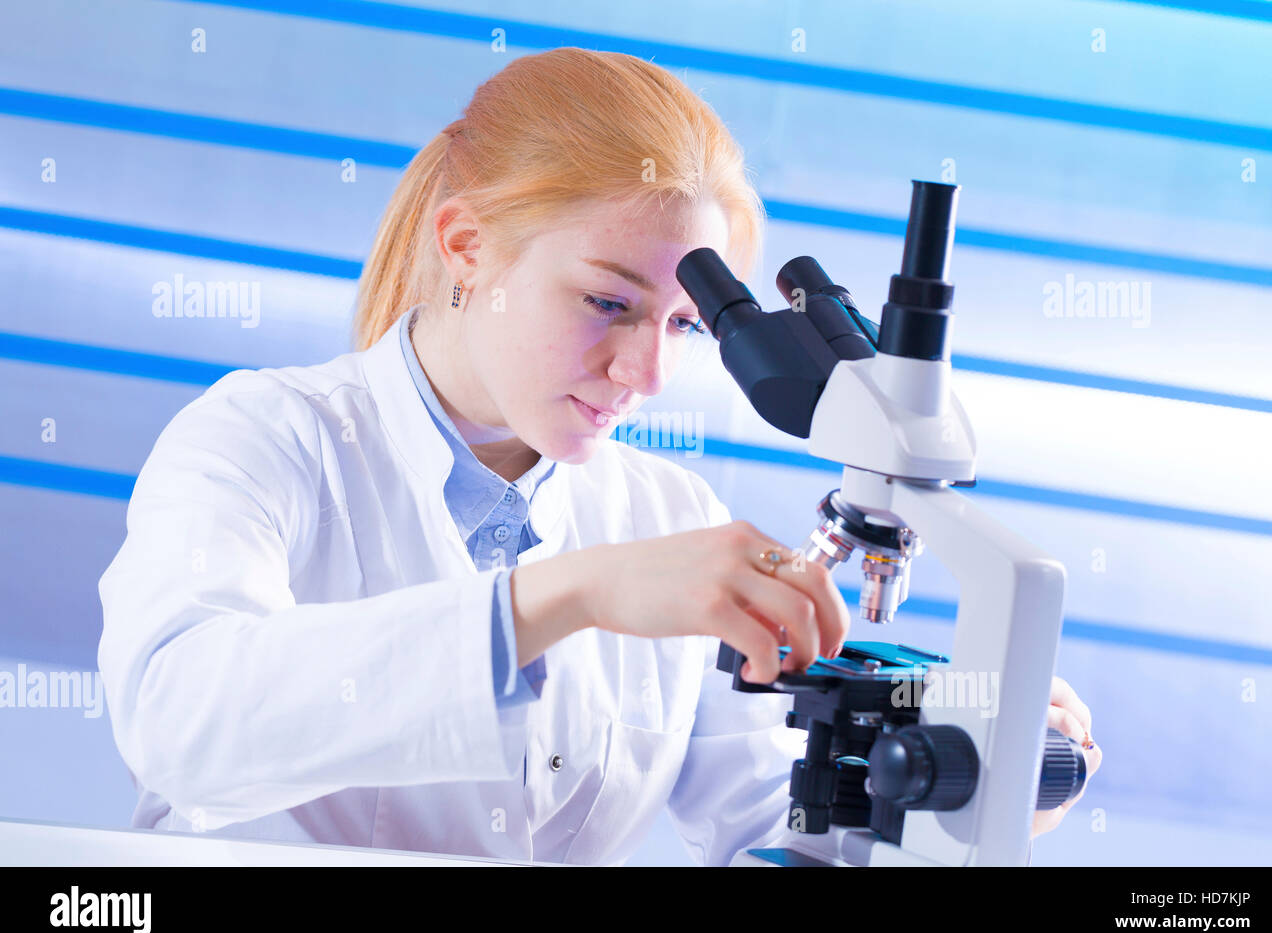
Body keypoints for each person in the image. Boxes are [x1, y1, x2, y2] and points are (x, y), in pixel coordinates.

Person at [97, 47, 1098, 866]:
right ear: (466, 245)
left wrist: (958, 786)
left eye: (679, 322)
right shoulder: (267, 440)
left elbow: (775, 827)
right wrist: (565, 595)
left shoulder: (665, 514)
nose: (646, 370)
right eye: (607, 303)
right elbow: (179, 720)